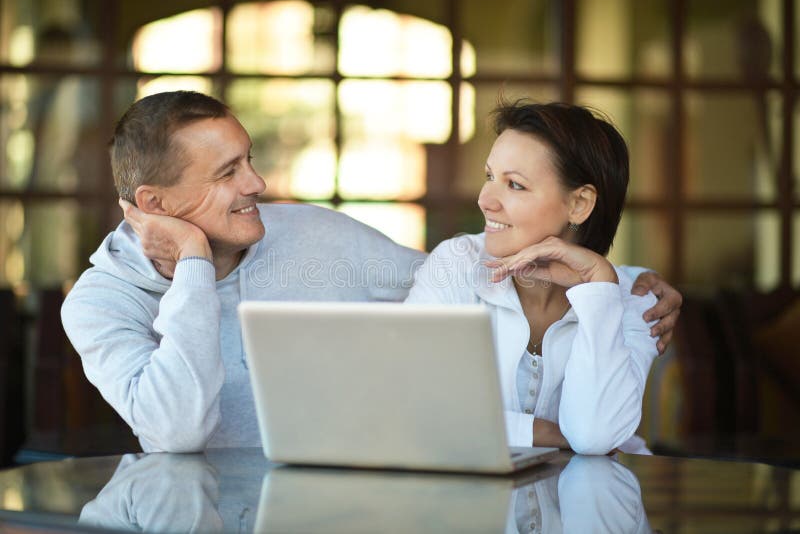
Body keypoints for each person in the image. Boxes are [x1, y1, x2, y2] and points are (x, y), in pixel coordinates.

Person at [61, 91, 681, 453]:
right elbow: (175, 431)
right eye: (227, 174)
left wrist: (620, 281)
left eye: (248, 160)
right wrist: (194, 267)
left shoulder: (311, 234)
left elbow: (474, 270)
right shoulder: (98, 304)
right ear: (153, 205)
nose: (258, 183)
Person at [405, 100, 671, 455]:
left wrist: (600, 287)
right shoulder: (457, 265)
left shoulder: (635, 300)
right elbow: (411, 408)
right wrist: (550, 433)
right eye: (490, 177)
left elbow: (595, 436)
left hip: (598, 503)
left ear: (579, 204)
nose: (485, 200)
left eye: (514, 185)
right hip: (479, 506)